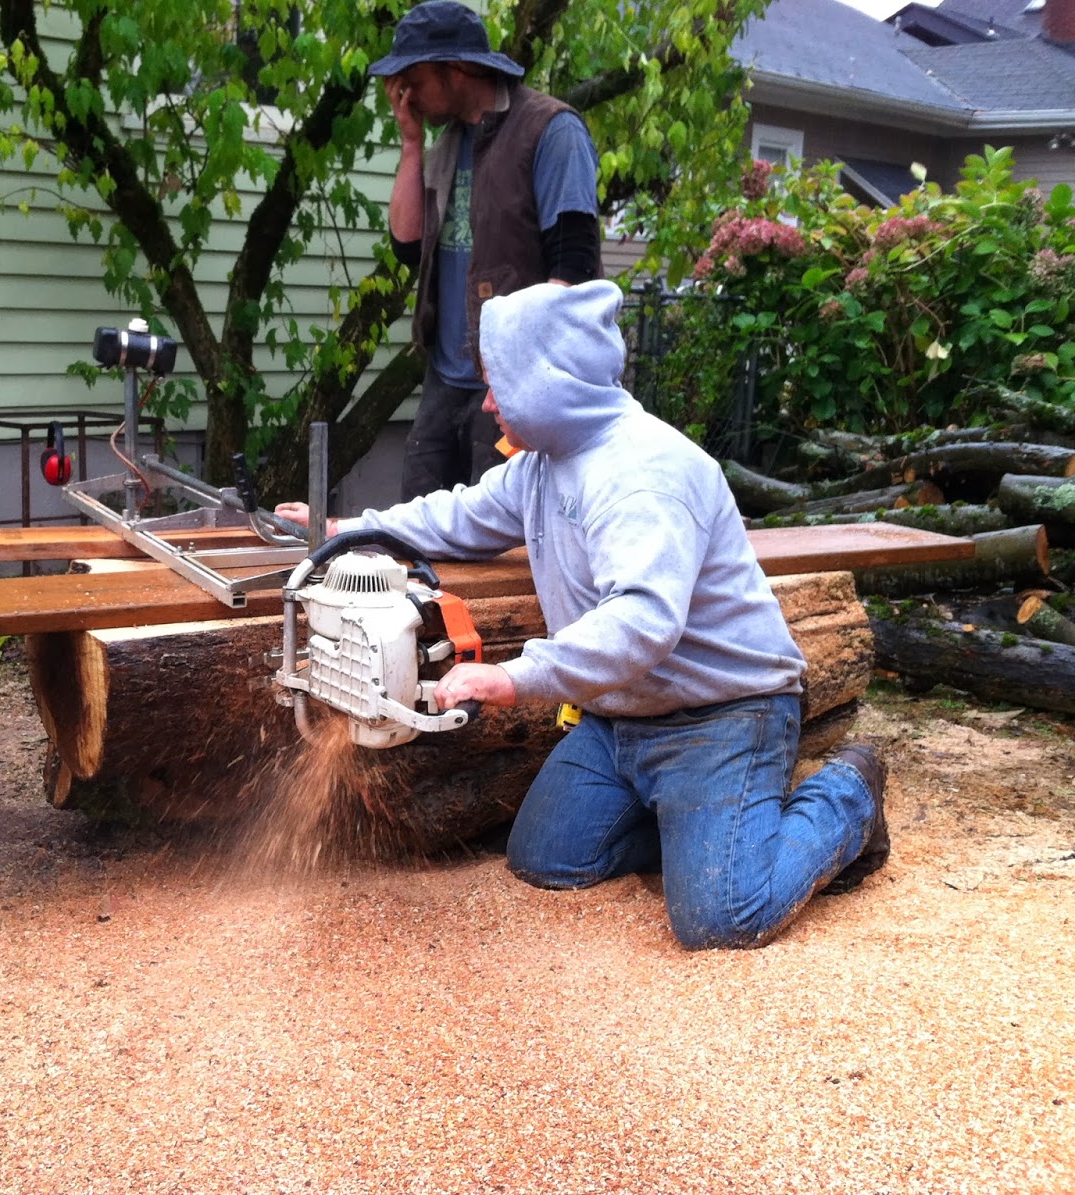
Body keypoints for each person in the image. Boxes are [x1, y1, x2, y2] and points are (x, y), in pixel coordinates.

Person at [275, 280, 890, 951]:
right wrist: (348, 528)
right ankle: (703, 830)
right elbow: (454, 516)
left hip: (724, 714)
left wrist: (516, 676)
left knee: (721, 916)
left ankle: (847, 796)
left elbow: (642, 622)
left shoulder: (643, 472)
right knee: (546, 855)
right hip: (620, 718)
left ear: (545, 378)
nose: (486, 402)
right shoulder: (542, 466)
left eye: (496, 382)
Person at [368, 0, 601, 500]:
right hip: (446, 379)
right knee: (415, 532)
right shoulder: (449, 143)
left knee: (499, 554)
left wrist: (516, 380)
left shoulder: (550, 130)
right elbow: (408, 247)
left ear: (459, 69)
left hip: (513, 392)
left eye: (414, 78)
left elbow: (573, 270)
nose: (405, 94)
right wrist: (411, 144)